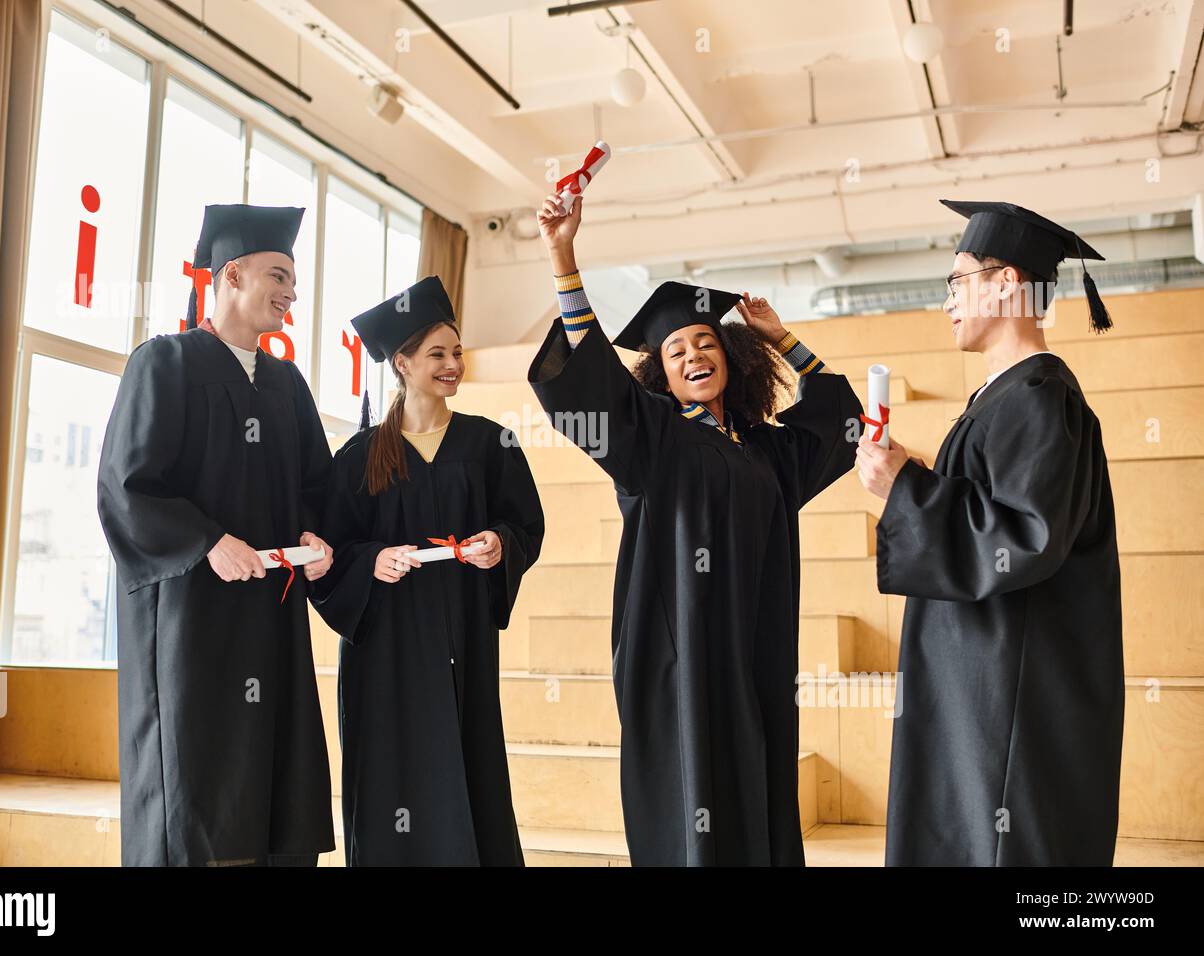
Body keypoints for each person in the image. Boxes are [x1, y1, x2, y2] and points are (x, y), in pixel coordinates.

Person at [528, 193, 862, 865]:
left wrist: (783, 339)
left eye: (706, 342)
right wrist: (563, 256)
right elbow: (592, 385)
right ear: (661, 374)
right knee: (694, 804)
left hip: (752, 654)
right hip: (677, 659)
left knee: (755, 793)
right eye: (675, 350)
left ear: (731, 357)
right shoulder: (651, 441)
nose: (692, 356)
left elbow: (838, 418)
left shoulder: (767, 450)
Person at [858, 199, 1124, 866]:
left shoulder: (1037, 397)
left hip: (1009, 696)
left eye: (957, 281)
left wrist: (905, 491)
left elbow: (1025, 537)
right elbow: (992, 510)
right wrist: (916, 476)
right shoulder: (1003, 399)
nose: (946, 300)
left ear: (1007, 282)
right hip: (975, 681)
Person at [97, 204, 336, 866]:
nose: (292, 294)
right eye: (279, 276)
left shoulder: (287, 386)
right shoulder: (165, 364)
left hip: (271, 612)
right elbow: (127, 485)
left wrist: (318, 538)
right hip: (191, 622)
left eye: (293, 281)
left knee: (275, 785)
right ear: (231, 273)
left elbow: (319, 488)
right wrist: (206, 541)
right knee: (193, 786)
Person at [310, 275, 544, 865]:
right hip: (385, 644)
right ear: (403, 362)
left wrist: (500, 544)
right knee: (392, 763)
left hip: (462, 634)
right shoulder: (361, 456)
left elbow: (526, 527)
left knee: (469, 762)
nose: (452, 364)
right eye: (437, 353)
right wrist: (372, 560)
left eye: (457, 352)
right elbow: (328, 552)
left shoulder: (494, 444)